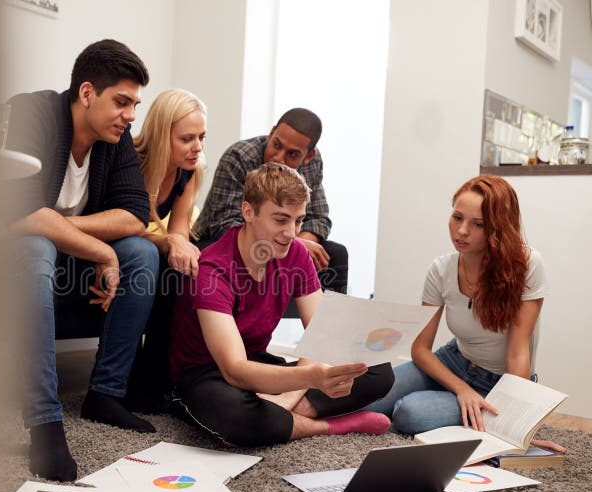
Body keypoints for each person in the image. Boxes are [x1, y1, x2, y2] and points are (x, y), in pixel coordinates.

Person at [5, 39, 159, 482]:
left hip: (64, 251)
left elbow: (134, 214)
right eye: (122, 102)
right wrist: (100, 250)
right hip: (17, 252)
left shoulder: (116, 138)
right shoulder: (31, 113)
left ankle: (106, 393)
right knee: (37, 246)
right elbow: (19, 213)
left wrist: (67, 230)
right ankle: (45, 421)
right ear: (87, 92)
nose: (131, 115)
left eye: (135, 104)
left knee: (144, 253)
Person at [169, 162, 394, 447]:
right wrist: (310, 377)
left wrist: (292, 391)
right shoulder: (214, 269)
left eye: (298, 221)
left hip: (258, 362)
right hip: (207, 374)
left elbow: (322, 333)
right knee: (237, 417)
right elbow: (234, 370)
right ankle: (328, 426)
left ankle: (280, 413)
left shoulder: (296, 253)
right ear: (248, 212)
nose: (291, 232)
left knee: (376, 368)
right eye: (280, 219)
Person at [366, 176, 562, 447]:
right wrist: (460, 388)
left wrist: (515, 427)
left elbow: (518, 353)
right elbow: (420, 349)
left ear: (498, 228)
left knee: (408, 413)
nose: (461, 231)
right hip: (453, 361)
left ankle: (471, 412)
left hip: (497, 383)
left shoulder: (527, 265)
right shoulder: (441, 268)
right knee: (368, 396)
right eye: (457, 217)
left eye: (477, 224)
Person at [193, 108, 348, 294]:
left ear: (308, 156)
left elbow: (318, 218)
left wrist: (294, 243)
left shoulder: (313, 164)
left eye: (292, 154)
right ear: (271, 133)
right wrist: (293, 244)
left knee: (336, 255)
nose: (278, 157)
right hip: (218, 241)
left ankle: (332, 321)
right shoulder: (239, 158)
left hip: (281, 238)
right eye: (276, 144)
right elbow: (224, 225)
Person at [124, 89, 206, 411]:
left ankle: (160, 377)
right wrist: (170, 243)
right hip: (120, 242)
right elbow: (125, 229)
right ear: (162, 134)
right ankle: (130, 381)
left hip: (147, 241)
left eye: (201, 136)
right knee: (155, 257)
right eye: (187, 138)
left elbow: (179, 231)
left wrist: (179, 245)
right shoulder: (130, 158)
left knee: (182, 267)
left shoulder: (191, 170)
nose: (197, 147)